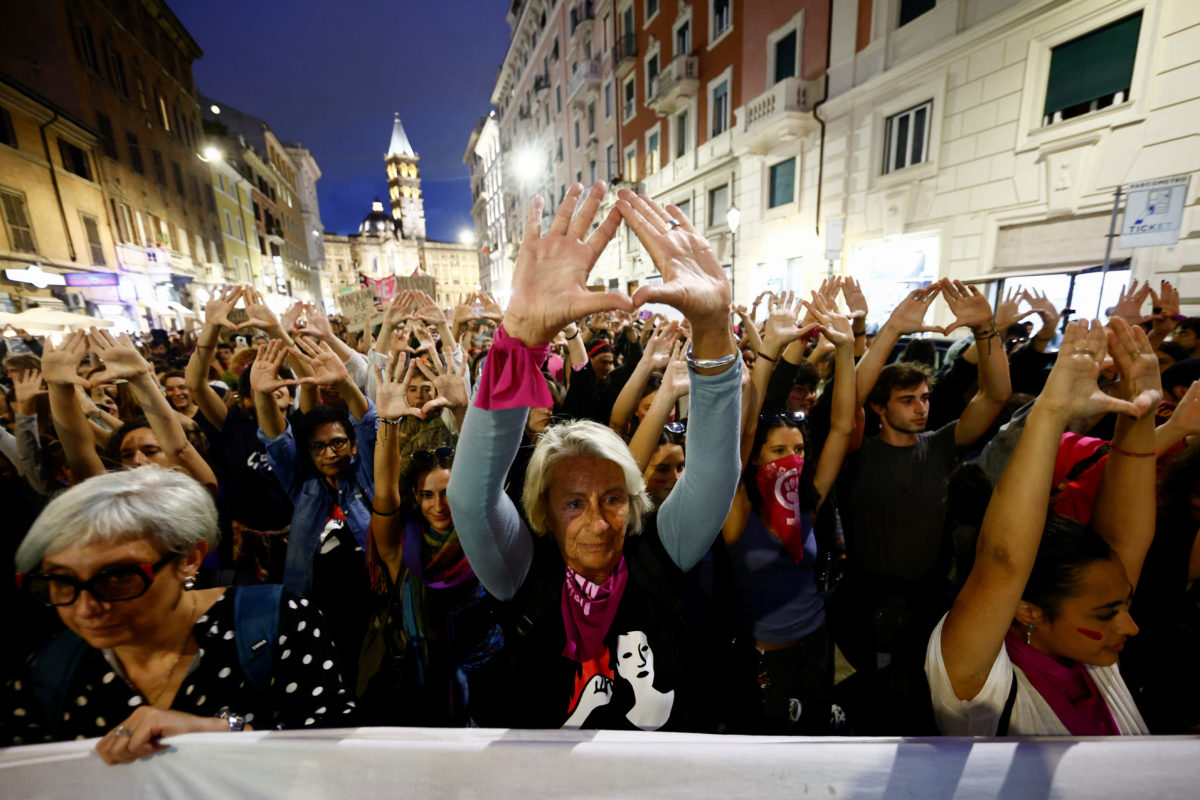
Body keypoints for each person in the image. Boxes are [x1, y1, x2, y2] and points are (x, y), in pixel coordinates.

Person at [447, 183, 741, 731]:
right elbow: (469, 498)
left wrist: (712, 329)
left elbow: (714, 474)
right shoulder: (521, 570)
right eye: (574, 503)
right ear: (541, 509)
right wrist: (517, 343)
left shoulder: (660, 554)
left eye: (612, 499)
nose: (598, 523)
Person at [4, 466, 354, 759]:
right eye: (61, 581)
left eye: (118, 579)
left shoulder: (272, 624)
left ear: (188, 559)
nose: (86, 607)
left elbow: (338, 754)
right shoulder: (51, 669)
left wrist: (215, 730)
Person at [926, 318, 1158, 735]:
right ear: (1028, 610)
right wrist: (1051, 412)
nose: (1129, 626)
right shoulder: (976, 684)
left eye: (1122, 606)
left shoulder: (1089, 652)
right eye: (1107, 614)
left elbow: (1127, 538)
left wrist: (1140, 410)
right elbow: (1003, 562)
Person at [719, 293, 856, 733]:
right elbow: (739, 433)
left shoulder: (806, 502)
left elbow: (841, 427)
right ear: (756, 459)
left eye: (798, 450)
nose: (791, 460)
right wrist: (767, 353)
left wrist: (849, 348)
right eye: (778, 451)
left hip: (815, 643)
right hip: (764, 658)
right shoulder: (737, 510)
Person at [360, 354, 505, 725]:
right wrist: (388, 421)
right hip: (421, 691)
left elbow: (486, 472)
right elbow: (385, 488)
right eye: (427, 495)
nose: (439, 504)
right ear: (416, 497)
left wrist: (463, 410)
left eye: (448, 492)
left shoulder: (480, 535)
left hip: (493, 681)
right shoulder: (401, 546)